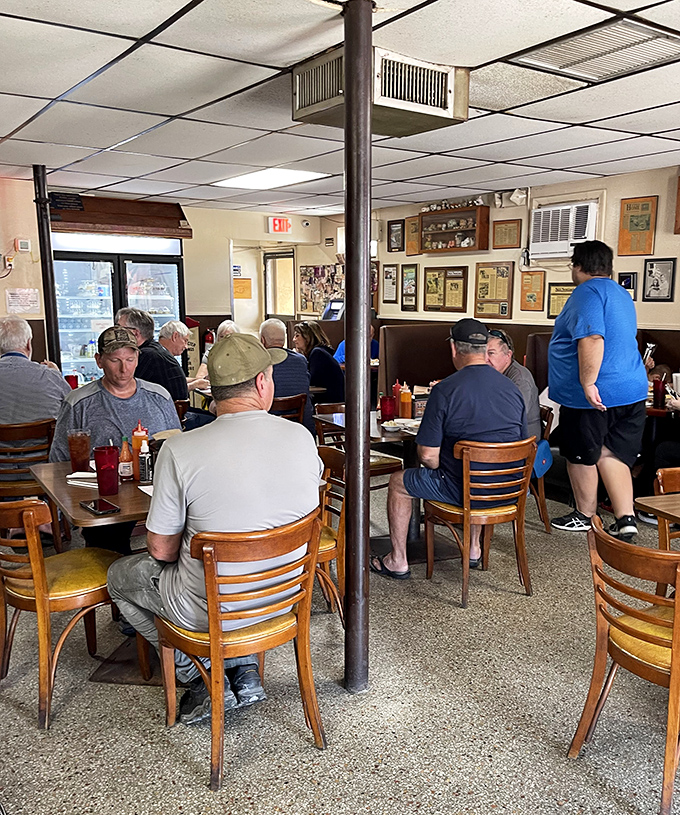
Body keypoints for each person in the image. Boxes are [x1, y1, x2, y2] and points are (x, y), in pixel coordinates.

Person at [107, 333, 323, 724]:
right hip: (285, 596)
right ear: (262, 383)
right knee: (220, 571)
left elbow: (160, 550)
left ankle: (199, 674)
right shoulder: (302, 438)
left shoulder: (179, 450)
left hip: (214, 607)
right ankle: (242, 668)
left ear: (211, 390)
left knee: (120, 575)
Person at [371, 319, 527, 579]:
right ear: (483, 348)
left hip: (464, 490)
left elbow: (427, 456)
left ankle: (397, 560)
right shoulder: (512, 389)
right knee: (474, 469)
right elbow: (518, 443)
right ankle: (474, 548)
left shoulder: (445, 390)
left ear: (454, 349)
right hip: (510, 490)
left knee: (399, 482)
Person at [50, 326, 181, 553]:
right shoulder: (79, 402)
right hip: (105, 495)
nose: (124, 369)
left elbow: (178, 447)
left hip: (157, 490)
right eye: (114, 360)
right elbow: (58, 462)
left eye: (130, 359)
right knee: (108, 543)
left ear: (138, 358)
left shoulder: (158, 396)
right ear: (99, 361)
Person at [548, 240, 648, 539]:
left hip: (592, 394)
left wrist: (588, 383)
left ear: (578, 266)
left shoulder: (586, 292)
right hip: (631, 388)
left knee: (581, 454)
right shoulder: (620, 293)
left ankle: (584, 514)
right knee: (612, 453)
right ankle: (625, 518)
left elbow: (592, 338)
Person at [0, 316, 71, 425]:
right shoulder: (50, 376)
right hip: (47, 441)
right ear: (29, 344)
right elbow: (72, 406)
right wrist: (56, 375)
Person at [115, 307, 189, 401]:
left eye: (119, 329)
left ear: (135, 333)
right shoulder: (154, 350)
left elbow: (125, 390)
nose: (116, 333)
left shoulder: (147, 356)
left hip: (166, 413)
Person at [486, 327, 542, 442]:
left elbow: (513, 417)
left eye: (491, 353)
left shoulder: (520, 379)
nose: (485, 359)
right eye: (483, 353)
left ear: (508, 355)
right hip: (501, 432)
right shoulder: (493, 373)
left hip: (520, 441)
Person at [259, 318, 314, 434]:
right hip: (300, 426)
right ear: (283, 341)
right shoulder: (301, 361)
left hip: (267, 428)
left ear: (262, 340)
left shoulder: (258, 361)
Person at [292, 321, 345, 404]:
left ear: (307, 337)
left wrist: (298, 358)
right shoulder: (320, 352)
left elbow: (310, 381)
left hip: (329, 404)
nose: (294, 339)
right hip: (330, 400)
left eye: (297, 336)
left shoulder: (317, 353)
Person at [158, 320, 209, 392]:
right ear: (175, 336)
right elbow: (175, 390)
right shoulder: (163, 359)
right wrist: (194, 385)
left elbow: (176, 380)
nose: (186, 346)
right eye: (185, 341)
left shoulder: (160, 352)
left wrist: (197, 380)